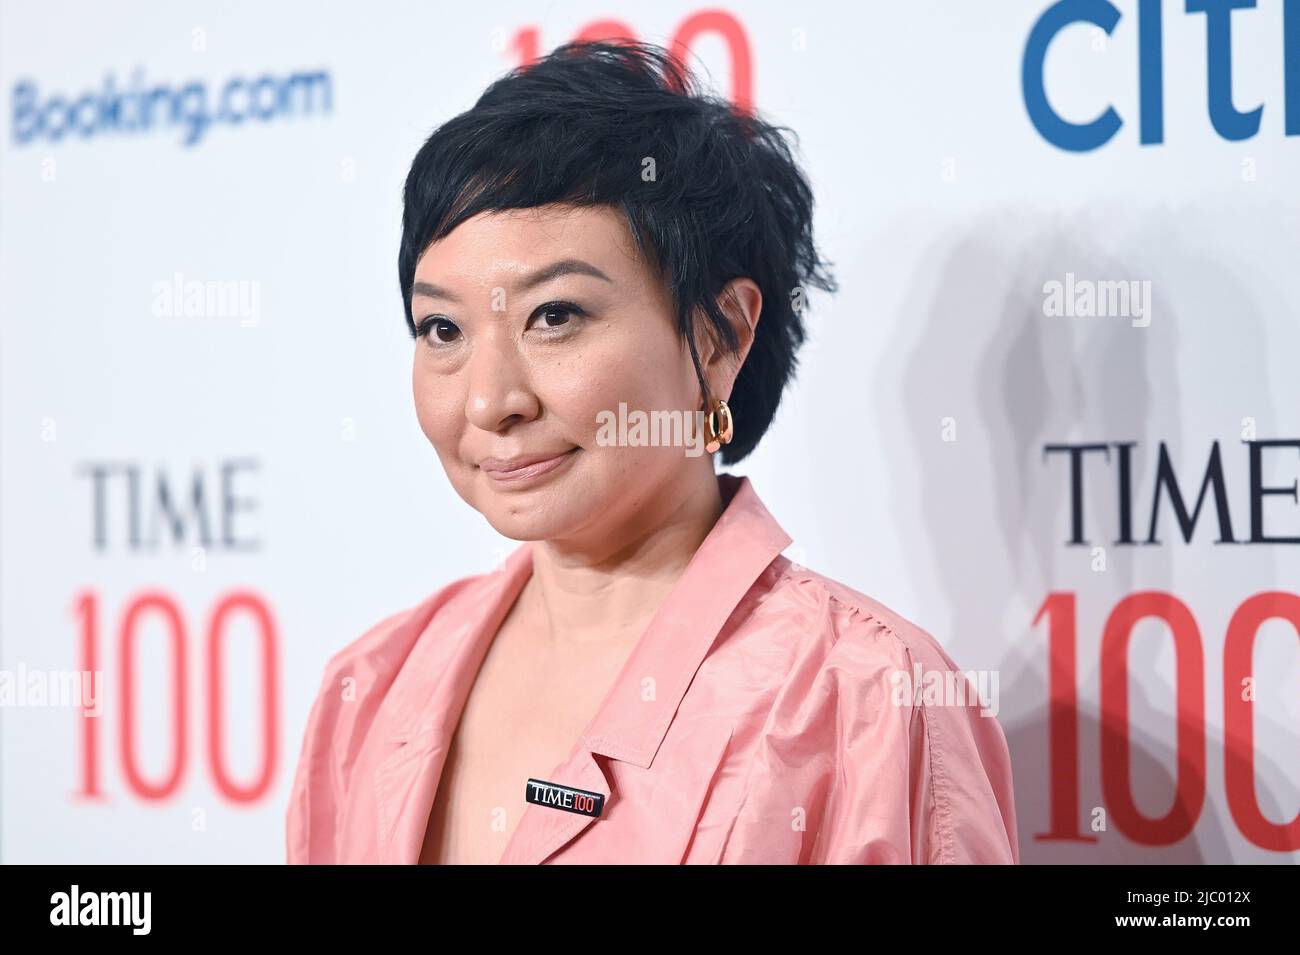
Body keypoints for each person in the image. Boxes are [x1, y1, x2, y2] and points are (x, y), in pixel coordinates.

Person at [285, 39, 1018, 864]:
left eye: (554, 316)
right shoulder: (370, 688)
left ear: (719, 335)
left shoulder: (869, 702)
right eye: (442, 328)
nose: (490, 401)